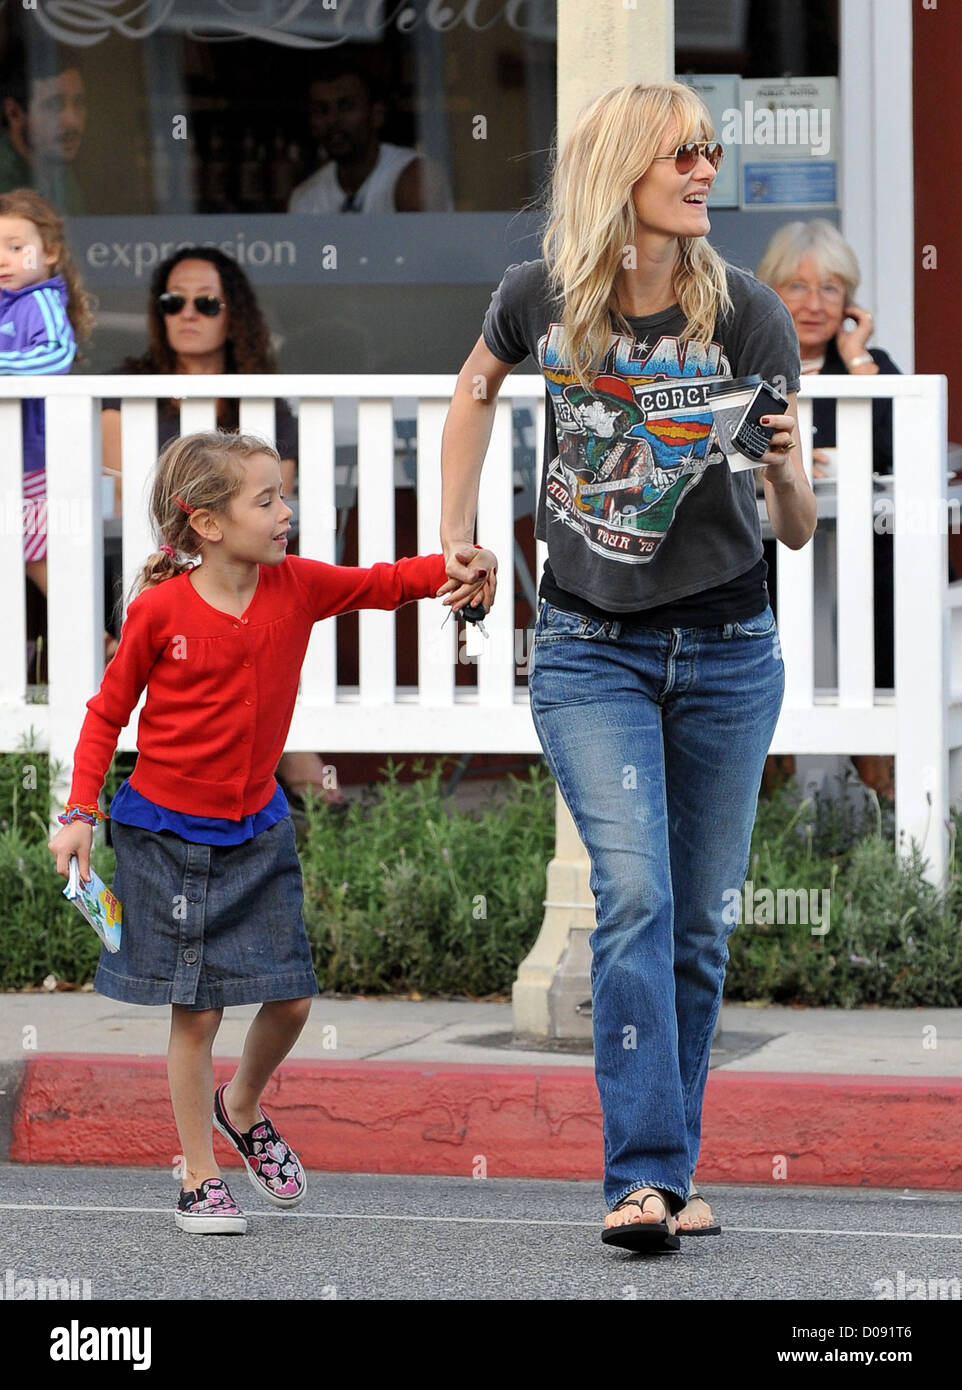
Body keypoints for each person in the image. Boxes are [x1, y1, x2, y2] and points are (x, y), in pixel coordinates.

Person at [439, 81, 813, 1251]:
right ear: (621, 174)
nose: (705, 171)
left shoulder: (743, 312)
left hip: (726, 649)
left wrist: (790, 468)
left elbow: (790, 527)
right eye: (680, 156)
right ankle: (642, 1178)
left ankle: (669, 1169)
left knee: (695, 923)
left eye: (710, 151)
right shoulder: (542, 297)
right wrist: (464, 535)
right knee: (636, 895)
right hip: (590, 649)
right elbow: (472, 389)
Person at [47, 428, 494, 1232]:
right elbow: (105, 714)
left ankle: (240, 1105)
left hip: (257, 830)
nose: (286, 511)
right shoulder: (160, 613)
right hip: (165, 836)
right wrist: (80, 814)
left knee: (290, 1000)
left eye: (284, 494)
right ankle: (196, 1175)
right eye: (268, 499)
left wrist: (455, 567)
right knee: (199, 1012)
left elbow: (383, 583)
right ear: (210, 524)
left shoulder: (296, 587)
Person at [99, 244, 333, 806]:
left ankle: (288, 754)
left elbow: (280, 496)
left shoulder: (263, 400)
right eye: (172, 300)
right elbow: (122, 495)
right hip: (141, 560)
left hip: (235, 568)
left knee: (269, 613)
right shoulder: (127, 386)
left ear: (234, 314)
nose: (188, 313)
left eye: (207, 302)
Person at [757, 219, 900, 799]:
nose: (814, 304)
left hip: (860, 547)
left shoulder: (866, 363)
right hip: (771, 542)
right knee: (748, 594)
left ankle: (880, 773)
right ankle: (769, 773)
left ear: (850, 302)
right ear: (771, 291)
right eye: (797, 286)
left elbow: (893, 445)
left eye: (831, 289)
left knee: (882, 586)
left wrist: (858, 357)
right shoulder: (750, 363)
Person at [0, 188, 96, 654]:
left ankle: (96, 640)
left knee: (40, 558)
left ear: (51, 252)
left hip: (31, 460)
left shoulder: (39, 302)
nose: (4, 258)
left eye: (16, 247)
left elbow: (57, 355)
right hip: (9, 461)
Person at [288, 64, 452, 213]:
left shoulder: (414, 176)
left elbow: (424, 242)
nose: (332, 120)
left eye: (346, 107)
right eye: (321, 110)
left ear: (376, 115)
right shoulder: (305, 198)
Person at [0, 50, 87, 213]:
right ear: (14, 113)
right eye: (54, 105)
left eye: (79, 103)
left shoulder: (60, 171)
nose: (72, 120)